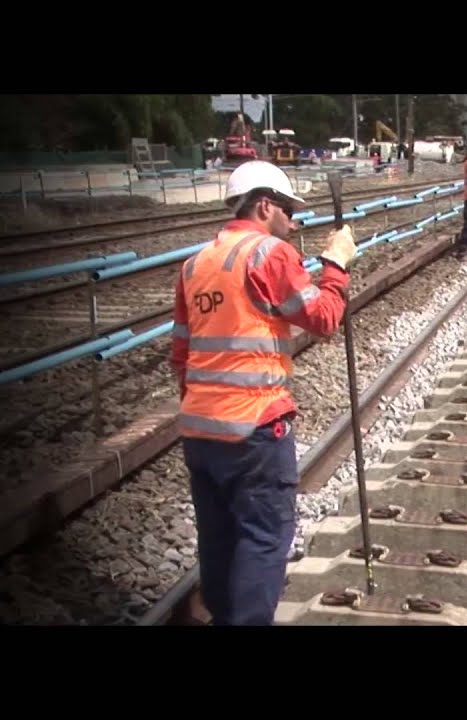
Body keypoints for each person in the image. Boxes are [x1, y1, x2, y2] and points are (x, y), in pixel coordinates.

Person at [169, 161, 357, 625]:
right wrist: (335, 265)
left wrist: (206, 404)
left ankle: (223, 615)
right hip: (254, 426)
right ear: (264, 205)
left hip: (199, 429)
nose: (293, 221)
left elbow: (180, 355)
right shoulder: (267, 254)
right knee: (263, 537)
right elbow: (324, 318)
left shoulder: (194, 265)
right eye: (288, 210)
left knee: (218, 538)